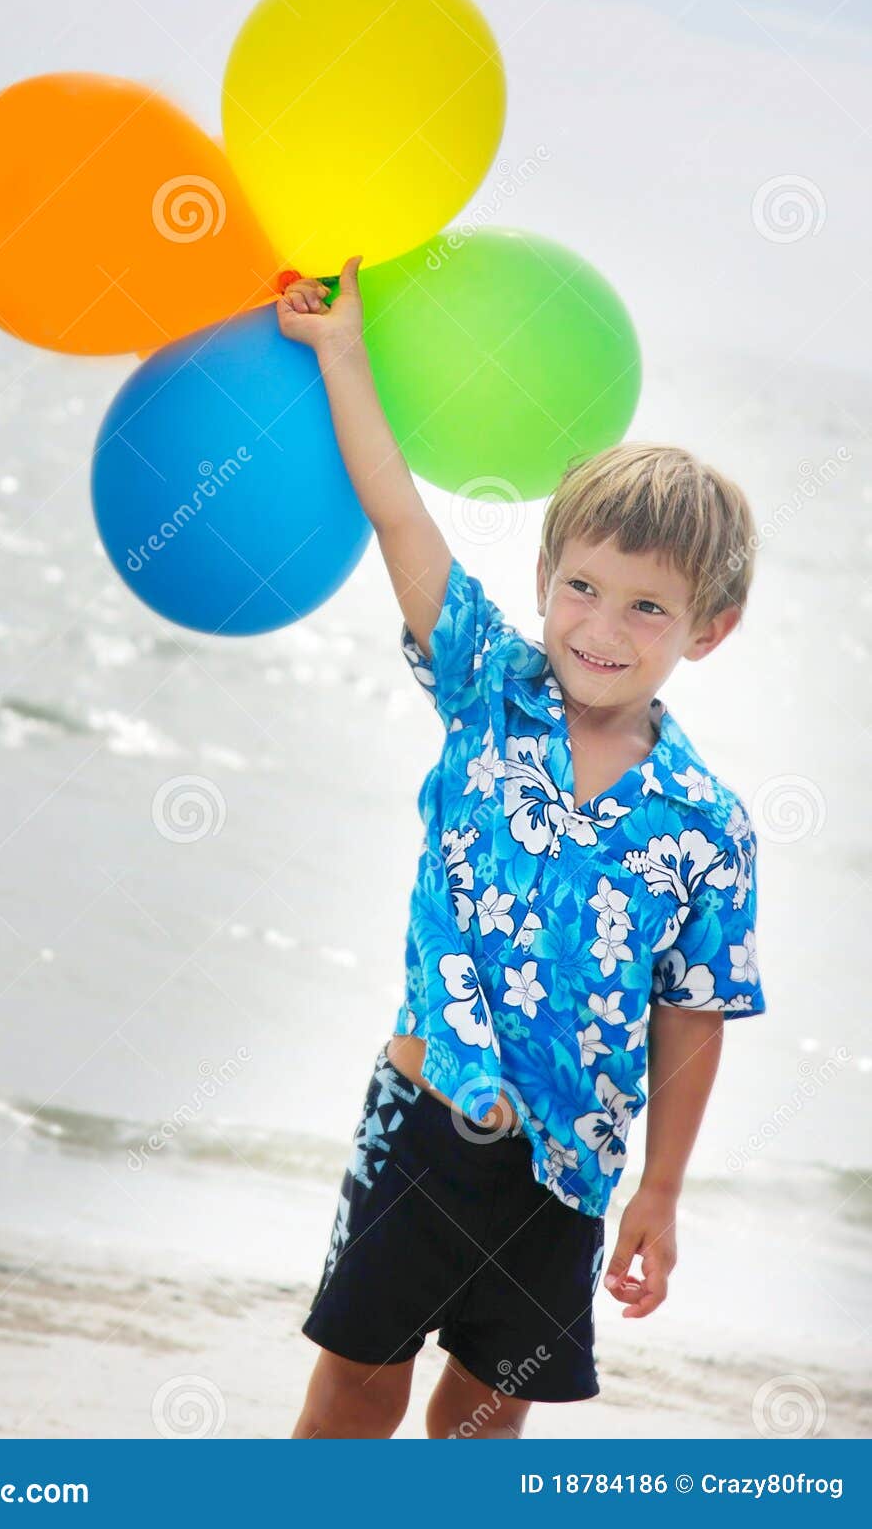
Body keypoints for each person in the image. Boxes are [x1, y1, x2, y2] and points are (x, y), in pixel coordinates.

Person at [278, 258, 766, 1439]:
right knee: (357, 1371)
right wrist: (342, 352)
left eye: (645, 607)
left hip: (568, 1171)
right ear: (543, 578)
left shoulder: (706, 825)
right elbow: (399, 512)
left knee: (491, 1403)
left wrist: (659, 1187)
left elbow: (690, 1015)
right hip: (424, 1109)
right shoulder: (486, 685)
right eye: (581, 588)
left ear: (708, 628)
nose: (599, 629)